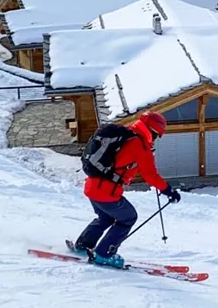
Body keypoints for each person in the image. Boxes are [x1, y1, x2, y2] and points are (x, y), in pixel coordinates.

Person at [74, 111, 180, 268]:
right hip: (106, 192)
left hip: (92, 187)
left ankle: (83, 246)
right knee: (128, 217)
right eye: (157, 135)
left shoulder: (126, 135)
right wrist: (169, 191)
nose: (156, 139)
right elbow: (150, 175)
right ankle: (104, 254)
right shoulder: (140, 145)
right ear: (151, 131)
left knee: (106, 218)